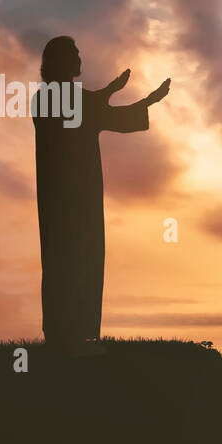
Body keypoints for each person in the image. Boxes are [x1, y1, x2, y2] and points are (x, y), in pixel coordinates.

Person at [32, 36, 170, 356]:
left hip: (82, 192)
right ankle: (64, 335)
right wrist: (133, 97)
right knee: (66, 260)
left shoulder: (62, 97)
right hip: (64, 196)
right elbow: (89, 111)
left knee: (87, 257)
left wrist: (138, 98)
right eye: (74, 54)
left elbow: (94, 110)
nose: (80, 58)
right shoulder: (47, 99)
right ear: (60, 61)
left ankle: (78, 334)